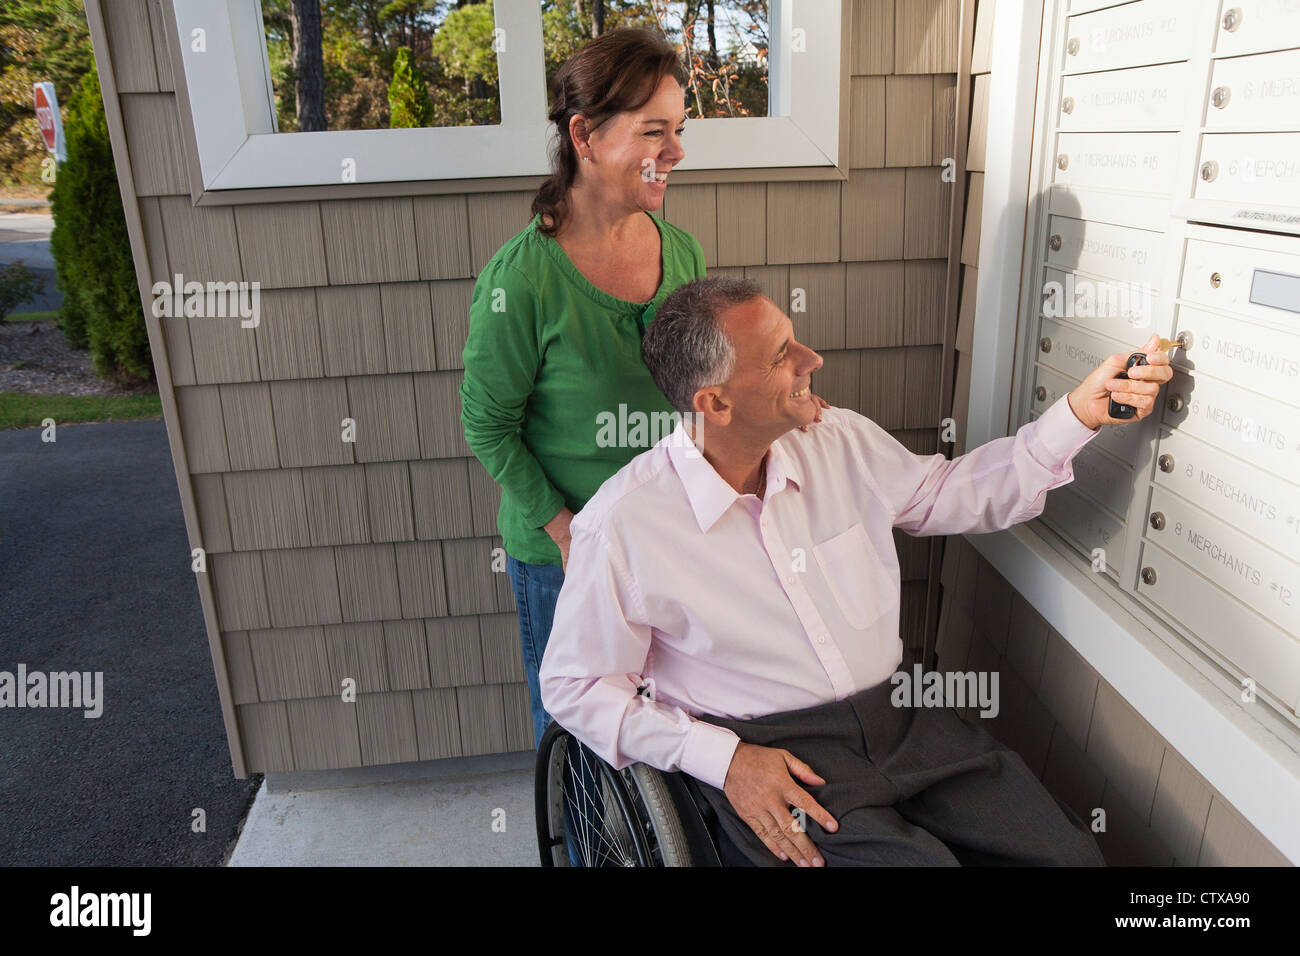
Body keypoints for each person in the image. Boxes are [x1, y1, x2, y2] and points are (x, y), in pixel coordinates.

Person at [538, 275, 1175, 866]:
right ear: (717, 403)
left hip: (904, 721)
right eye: (781, 354)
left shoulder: (837, 441)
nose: (811, 360)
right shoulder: (625, 524)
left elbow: (946, 493)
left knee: (1064, 855)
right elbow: (575, 686)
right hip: (779, 756)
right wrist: (721, 759)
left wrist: (1078, 416)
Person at [460, 28, 826, 748]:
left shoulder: (679, 249)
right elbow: (488, 427)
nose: (676, 150)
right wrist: (569, 534)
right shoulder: (521, 282)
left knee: (668, 726)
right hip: (564, 554)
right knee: (581, 740)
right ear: (585, 136)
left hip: (665, 539)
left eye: (679, 130)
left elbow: (703, 386)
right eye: (654, 131)